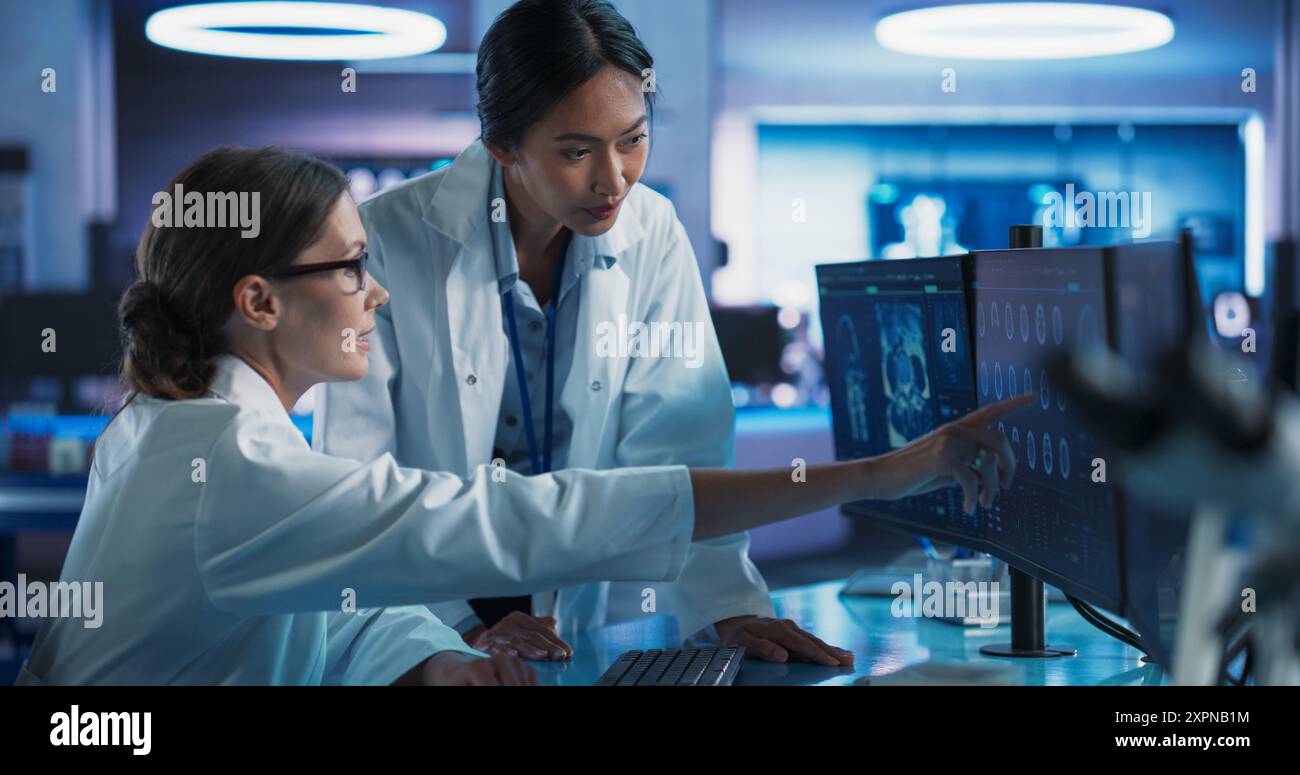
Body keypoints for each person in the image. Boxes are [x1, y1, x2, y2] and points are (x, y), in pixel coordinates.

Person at [17, 146, 1027, 685]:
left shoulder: (196, 426)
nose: (378, 293)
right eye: (351, 266)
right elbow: (512, 520)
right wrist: (881, 471)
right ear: (258, 301)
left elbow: (316, 610)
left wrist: (425, 659)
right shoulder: (223, 458)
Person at [317, 0, 847, 664]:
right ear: (502, 143)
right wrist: (461, 631)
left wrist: (728, 607)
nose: (613, 178)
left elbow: (681, 452)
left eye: (632, 139)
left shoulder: (651, 234)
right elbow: (359, 482)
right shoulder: (389, 239)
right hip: (419, 600)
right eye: (576, 151)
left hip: (569, 616)